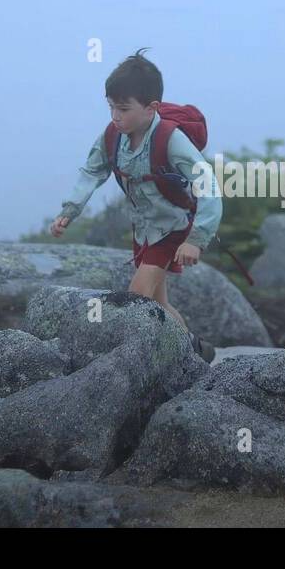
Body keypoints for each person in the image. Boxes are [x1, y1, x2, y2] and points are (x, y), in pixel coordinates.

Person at [49, 48, 222, 361]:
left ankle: (141, 364)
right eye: (111, 107)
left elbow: (208, 184)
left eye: (124, 109)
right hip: (143, 230)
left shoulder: (171, 139)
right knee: (158, 304)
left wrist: (196, 240)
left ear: (151, 108)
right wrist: (70, 210)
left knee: (136, 298)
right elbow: (92, 171)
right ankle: (195, 352)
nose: (115, 116)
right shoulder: (113, 137)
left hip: (170, 229)